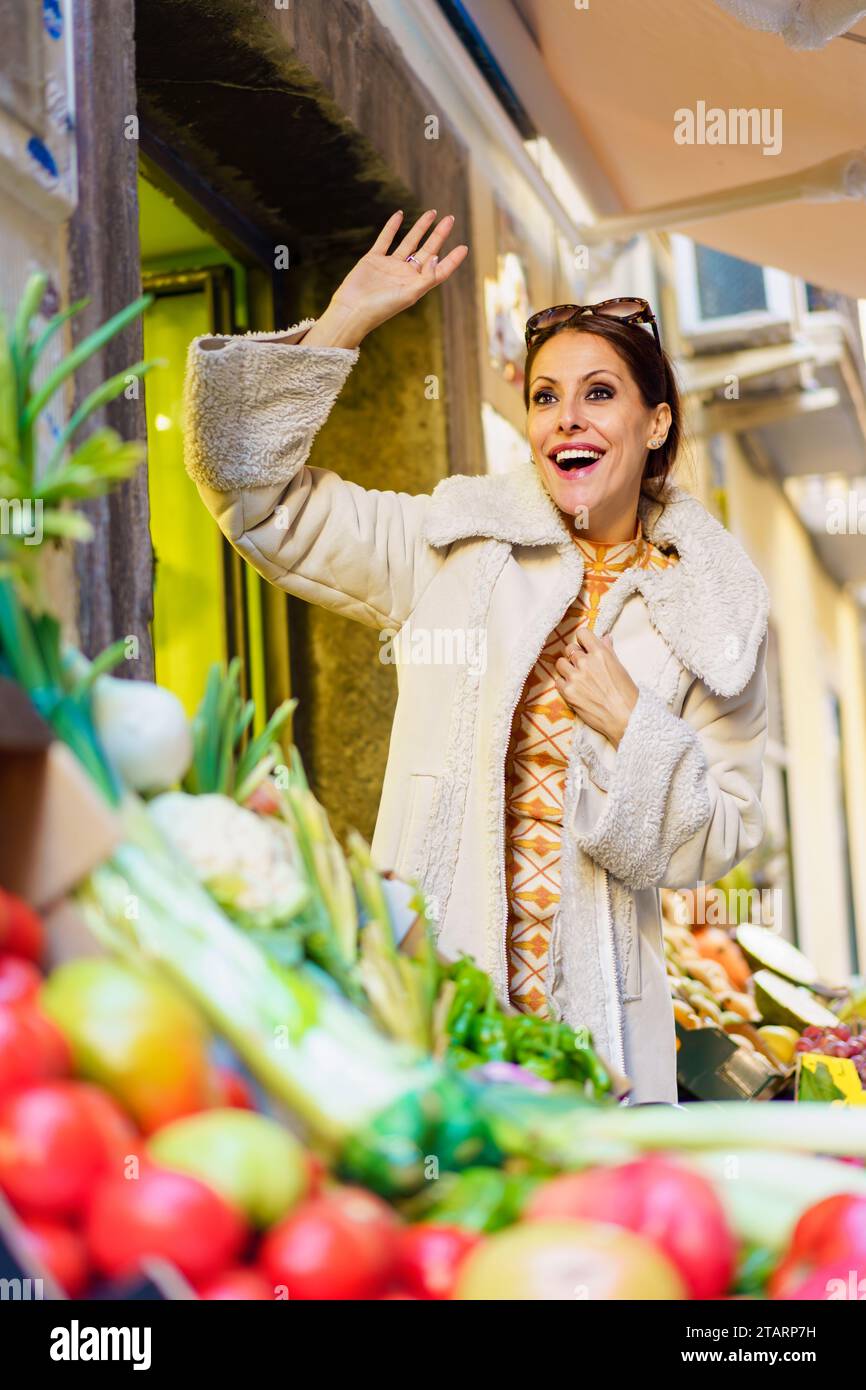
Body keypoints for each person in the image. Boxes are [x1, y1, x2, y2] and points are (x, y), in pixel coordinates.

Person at [182, 209, 769, 1102]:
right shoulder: (454, 547)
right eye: (545, 396)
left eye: (600, 393)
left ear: (655, 424)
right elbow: (252, 495)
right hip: (436, 1015)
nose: (567, 419)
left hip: (601, 1043)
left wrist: (635, 727)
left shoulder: (715, 610)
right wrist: (342, 324)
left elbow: (723, 838)